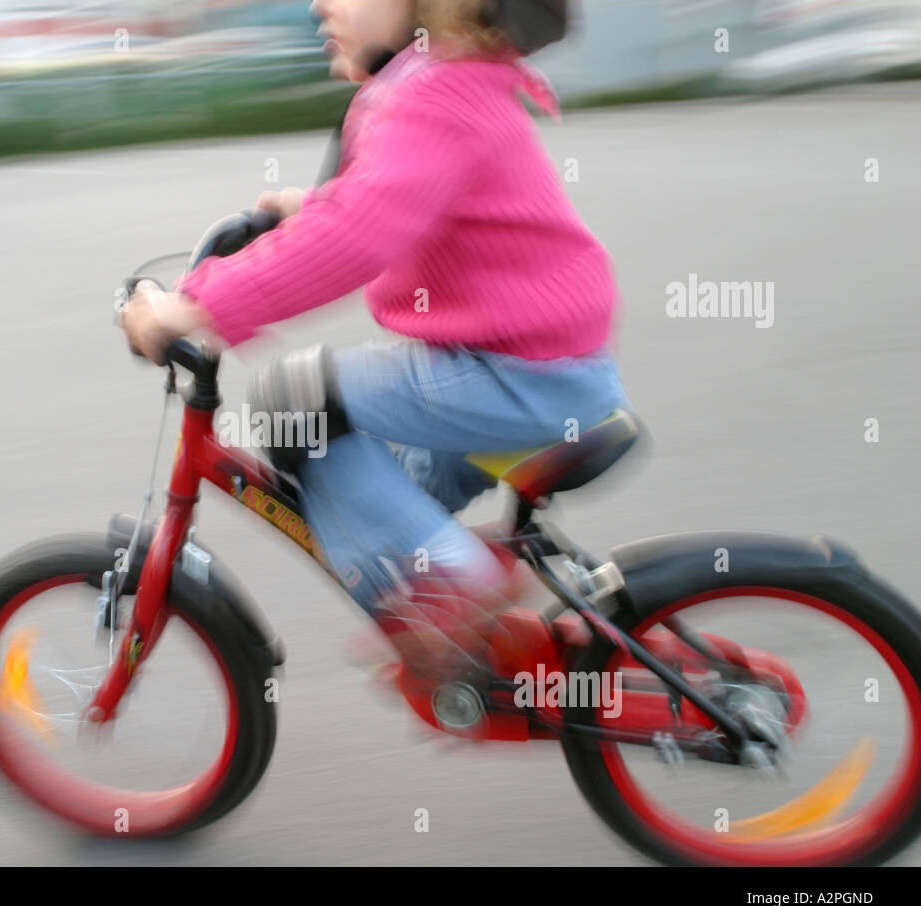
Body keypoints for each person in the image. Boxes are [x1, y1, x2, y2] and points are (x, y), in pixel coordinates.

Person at [120, 0, 630, 698]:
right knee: (351, 476)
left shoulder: (428, 91)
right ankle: (454, 626)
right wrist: (311, 208)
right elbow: (398, 199)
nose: (318, 4)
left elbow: (360, 234)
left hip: (519, 377)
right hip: (533, 373)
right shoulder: (446, 78)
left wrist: (192, 306)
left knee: (292, 404)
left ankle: (457, 586)